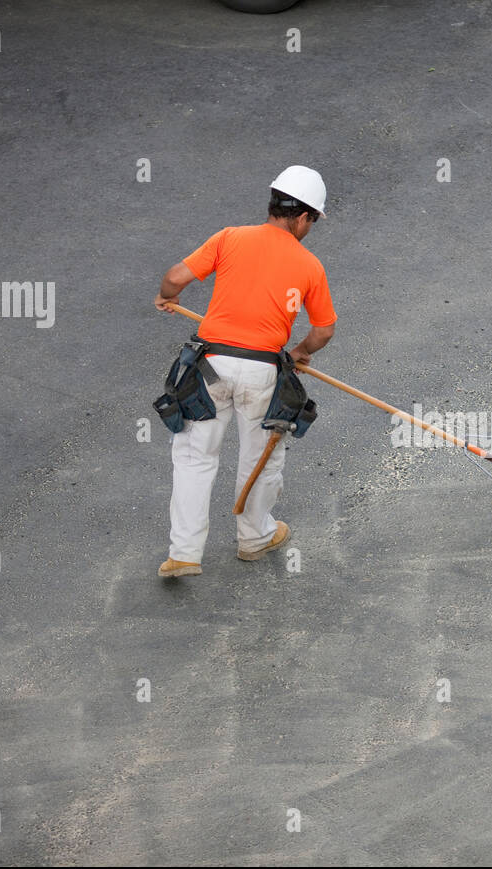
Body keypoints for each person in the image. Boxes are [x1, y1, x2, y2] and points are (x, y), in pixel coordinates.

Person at [153, 165, 336, 577]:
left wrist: (168, 297)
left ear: (273, 203)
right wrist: (301, 353)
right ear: (305, 216)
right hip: (263, 372)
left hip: (211, 367)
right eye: (313, 222)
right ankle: (254, 537)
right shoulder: (309, 265)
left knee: (194, 458)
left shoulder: (229, 237)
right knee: (260, 459)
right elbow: (323, 330)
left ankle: (183, 555)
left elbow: (174, 277)